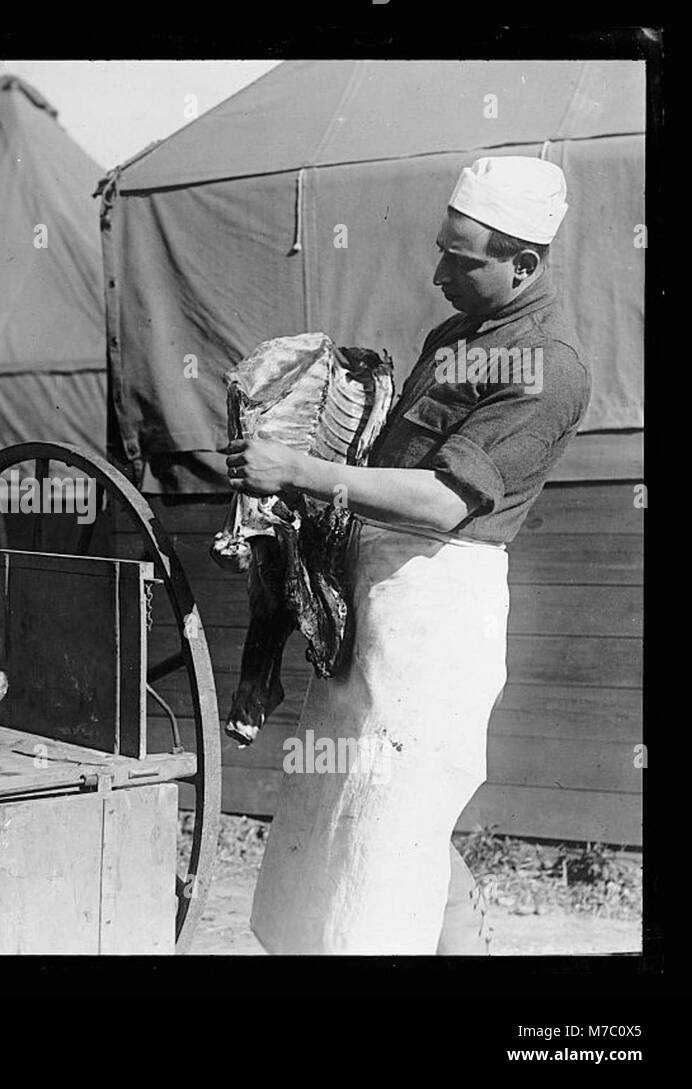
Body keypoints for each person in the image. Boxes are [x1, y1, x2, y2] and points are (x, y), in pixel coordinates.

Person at [223, 156, 590, 954]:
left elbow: (445, 500)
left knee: (388, 838)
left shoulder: (550, 365)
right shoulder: (458, 335)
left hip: (434, 622)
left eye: (460, 261)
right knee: (349, 829)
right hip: (372, 605)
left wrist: (303, 471)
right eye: (440, 250)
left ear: (523, 263)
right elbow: (394, 458)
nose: (436, 274)